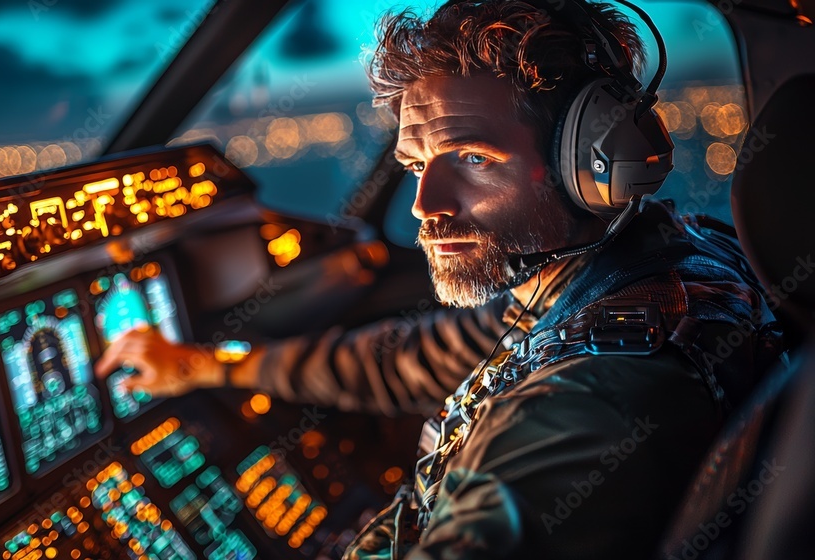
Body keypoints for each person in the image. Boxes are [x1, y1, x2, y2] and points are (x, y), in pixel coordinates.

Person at [96, 1, 782, 557]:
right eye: (416, 163)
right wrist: (207, 364)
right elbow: (402, 359)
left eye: (474, 158)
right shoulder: (614, 278)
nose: (427, 204)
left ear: (598, 166)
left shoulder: (599, 393)